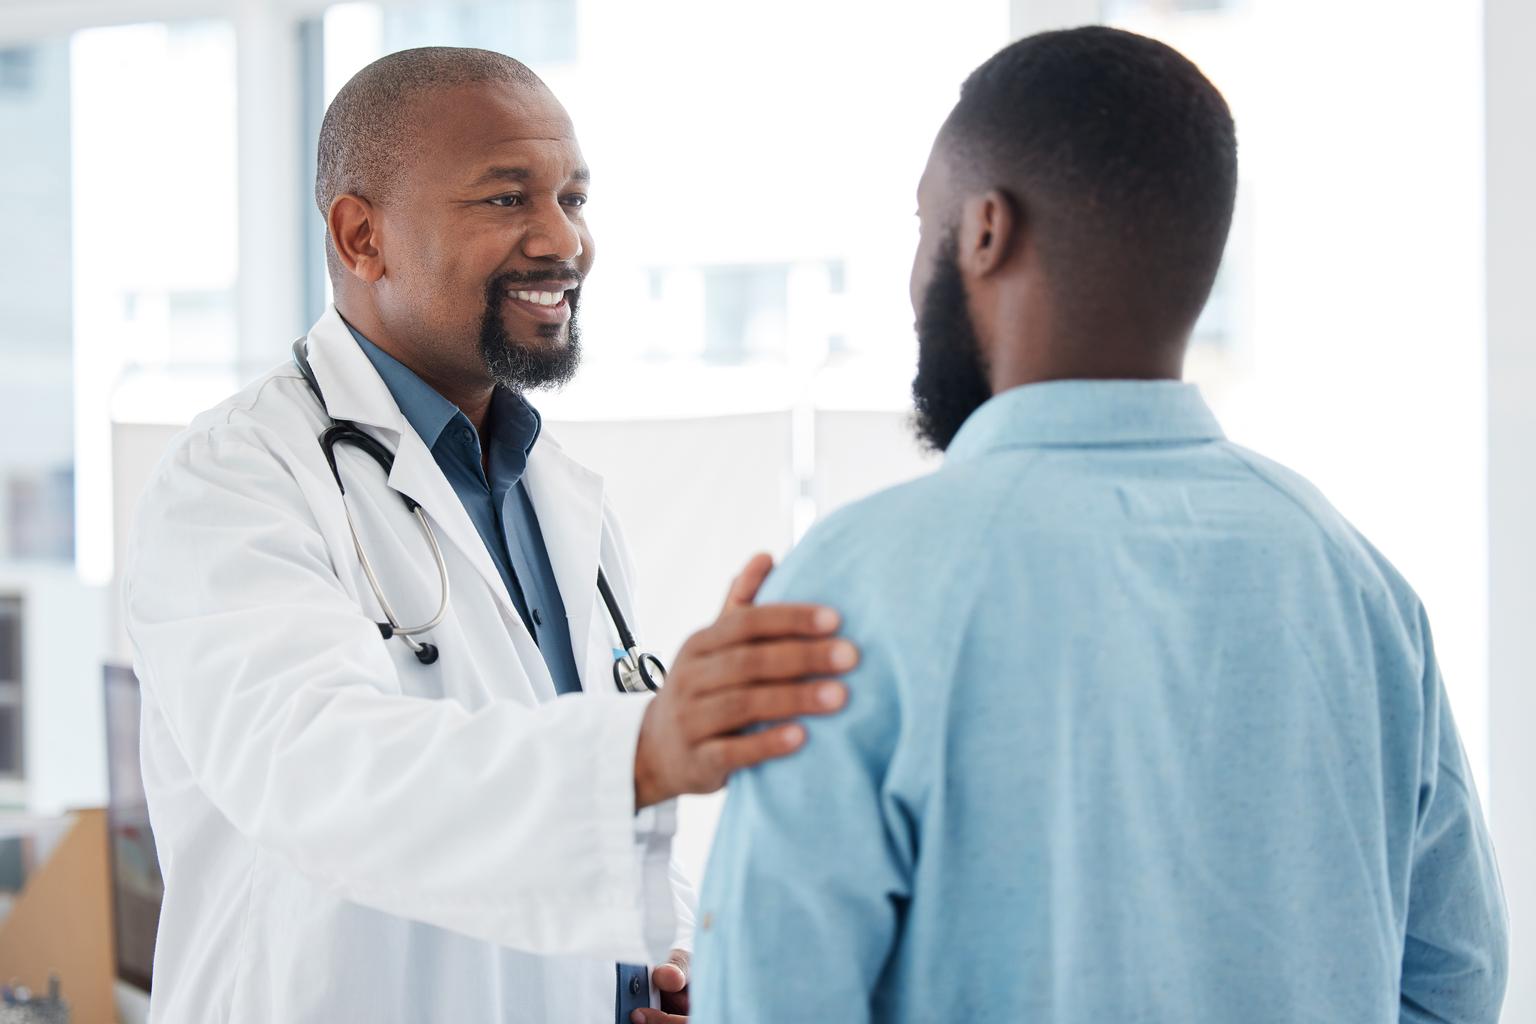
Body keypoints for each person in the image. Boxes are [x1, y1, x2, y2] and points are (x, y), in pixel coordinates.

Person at [691, 26, 1507, 1024]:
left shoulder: (846, 590)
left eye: (923, 225)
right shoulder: (1357, 581)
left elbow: (776, 999)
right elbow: (1457, 982)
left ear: (986, 231)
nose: (914, 276)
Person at [123, 47, 855, 1024]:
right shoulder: (233, 482)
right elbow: (316, 771)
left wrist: (666, 958)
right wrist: (646, 746)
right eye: (508, 200)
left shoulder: (559, 496)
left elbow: (577, 807)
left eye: (574, 198)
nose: (565, 240)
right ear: (361, 234)